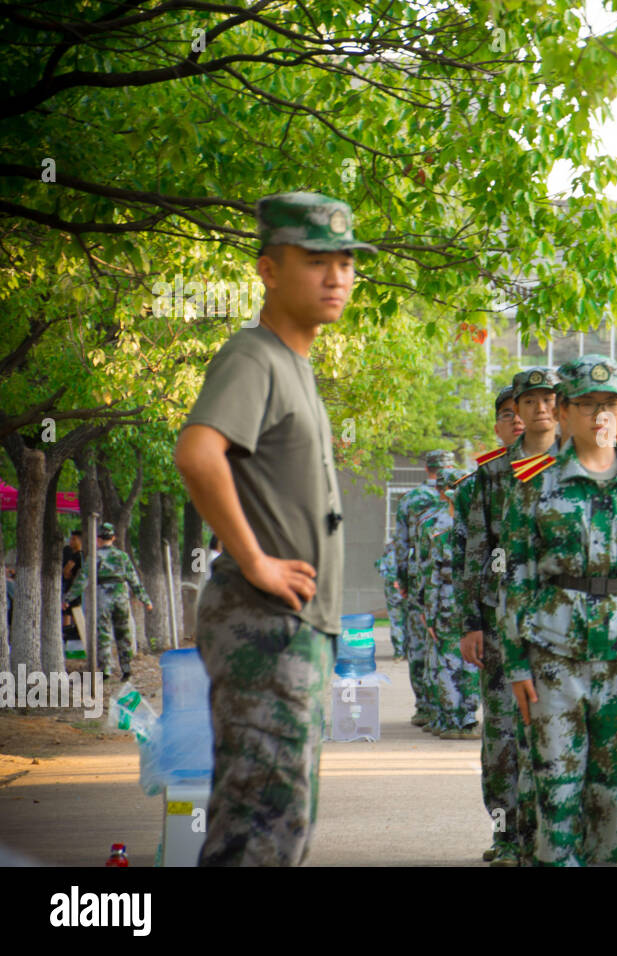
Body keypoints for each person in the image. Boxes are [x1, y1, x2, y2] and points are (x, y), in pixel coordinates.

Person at [173, 191, 376, 866]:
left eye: (347, 261)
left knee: (280, 821)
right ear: (268, 269)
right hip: (264, 622)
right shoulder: (254, 356)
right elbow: (198, 454)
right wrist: (256, 561)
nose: (337, 276)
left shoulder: (296, 365)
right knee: (258, 826)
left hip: (294, 628)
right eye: (317, 259)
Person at [501, 355, 617, 866]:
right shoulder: (534, 484)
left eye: (612, 405)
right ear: (566, 412)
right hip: (554, 661)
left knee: (614, 802)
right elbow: (515, 580)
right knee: (556, 797)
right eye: (589, 405)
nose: (601, 415)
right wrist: (514, 664)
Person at [453, 372, 557, 865]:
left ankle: (548, 836)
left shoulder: (575, 466)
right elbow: (477, 550)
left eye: (546, 401)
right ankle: (506, 835)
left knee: (554, 732)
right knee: (502, 738)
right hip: (501, 625)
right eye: (525, 403)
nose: (533, 412)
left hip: (561, 626)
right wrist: (470, 621)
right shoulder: (492, 476)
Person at [403, 450, 458, 729]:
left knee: (421, 644)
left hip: (420, 580)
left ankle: (426, 707)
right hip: (452, 585)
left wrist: (403, 579)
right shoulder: (466, 503)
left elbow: (402, 545)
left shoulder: (411, 500)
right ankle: (452, 712)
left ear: (427, 468)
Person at [64, 523, 153, 680]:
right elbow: (134, 580)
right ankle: (126, 669)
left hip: (103, 598)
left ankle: (106, 670)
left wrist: (68, 599)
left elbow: (82, 580)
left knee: (104, 634)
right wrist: (145, 600)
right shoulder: (123, 557)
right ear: (113, 538)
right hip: (121, 598)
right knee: (123, 633)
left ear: (98, 539)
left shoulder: (94, 557)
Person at [375, 539, 406, 658]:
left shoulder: (388, 556)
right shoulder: (408, 554)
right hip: (407, 592)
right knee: (410, 620)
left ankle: (399, 652)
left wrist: (393, 580)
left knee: (396, 621)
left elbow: (380, 568)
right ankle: (410, 650)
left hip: (392, 593)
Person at [62, 530, 83, 642]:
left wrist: (67, 572)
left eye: (74, 539)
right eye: (70, 539)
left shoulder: (78, 556)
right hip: (70, 589)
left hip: (75, 591)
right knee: (66, 613)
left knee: (74, 614)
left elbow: (66, 571)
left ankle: (74, 638)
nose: (71, 541)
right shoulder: (72, 555)